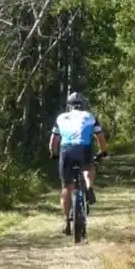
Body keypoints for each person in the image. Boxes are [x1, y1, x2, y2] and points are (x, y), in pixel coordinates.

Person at [49, 92, 109, 236]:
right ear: (83, 105)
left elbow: (53, 141)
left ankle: (67, 222)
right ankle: (89, 186)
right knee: (88, 167)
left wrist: (54, 154)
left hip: (66, 150)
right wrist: (103, 151)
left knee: (66, 187)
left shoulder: (61, 118)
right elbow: (99, 137)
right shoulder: (89, 116)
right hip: (84, 148)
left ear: (69, 105)